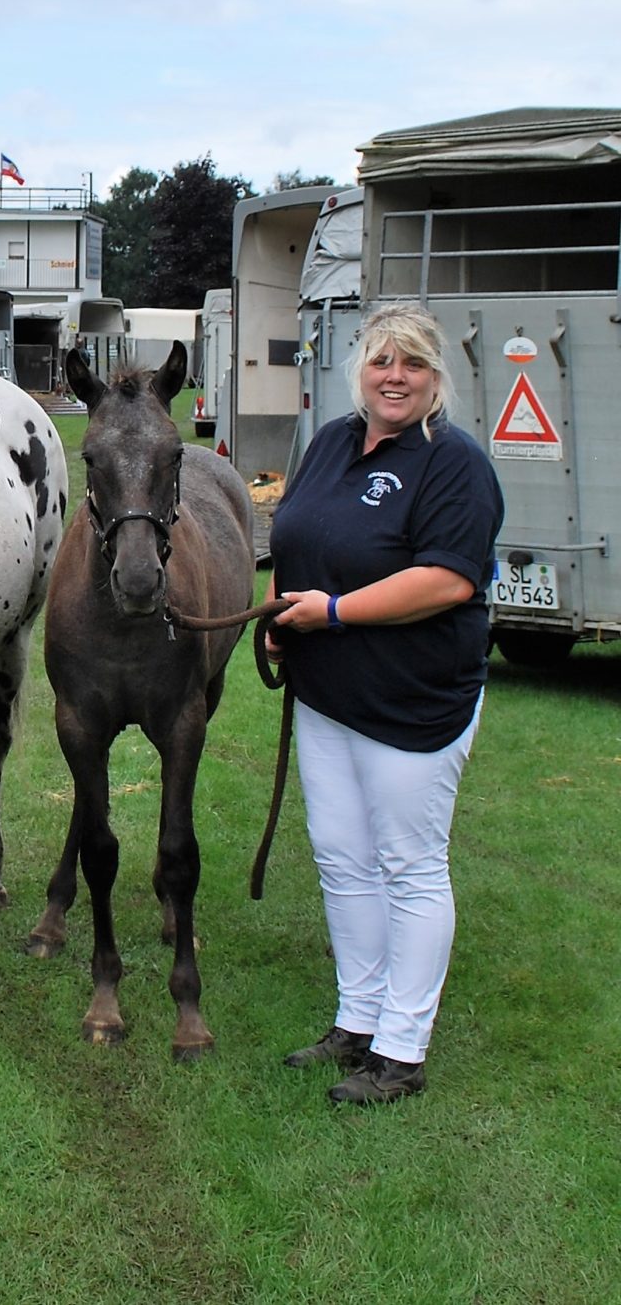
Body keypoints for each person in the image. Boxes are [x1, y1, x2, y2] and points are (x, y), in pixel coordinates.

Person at [265, 303, 504, 1105]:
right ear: (359, 368)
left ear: (437, 378)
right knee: (340, 856)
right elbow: (294, 536)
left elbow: (448, 577)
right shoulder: (332, 441)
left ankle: (402, 1049)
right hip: (327, 695)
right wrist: (275, 616)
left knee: (408, 864)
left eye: (412, 364)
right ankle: (358, 1019)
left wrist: (331, 611)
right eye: (381, 361)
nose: (394, 376)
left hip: (412, 702)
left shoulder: (454, 463)